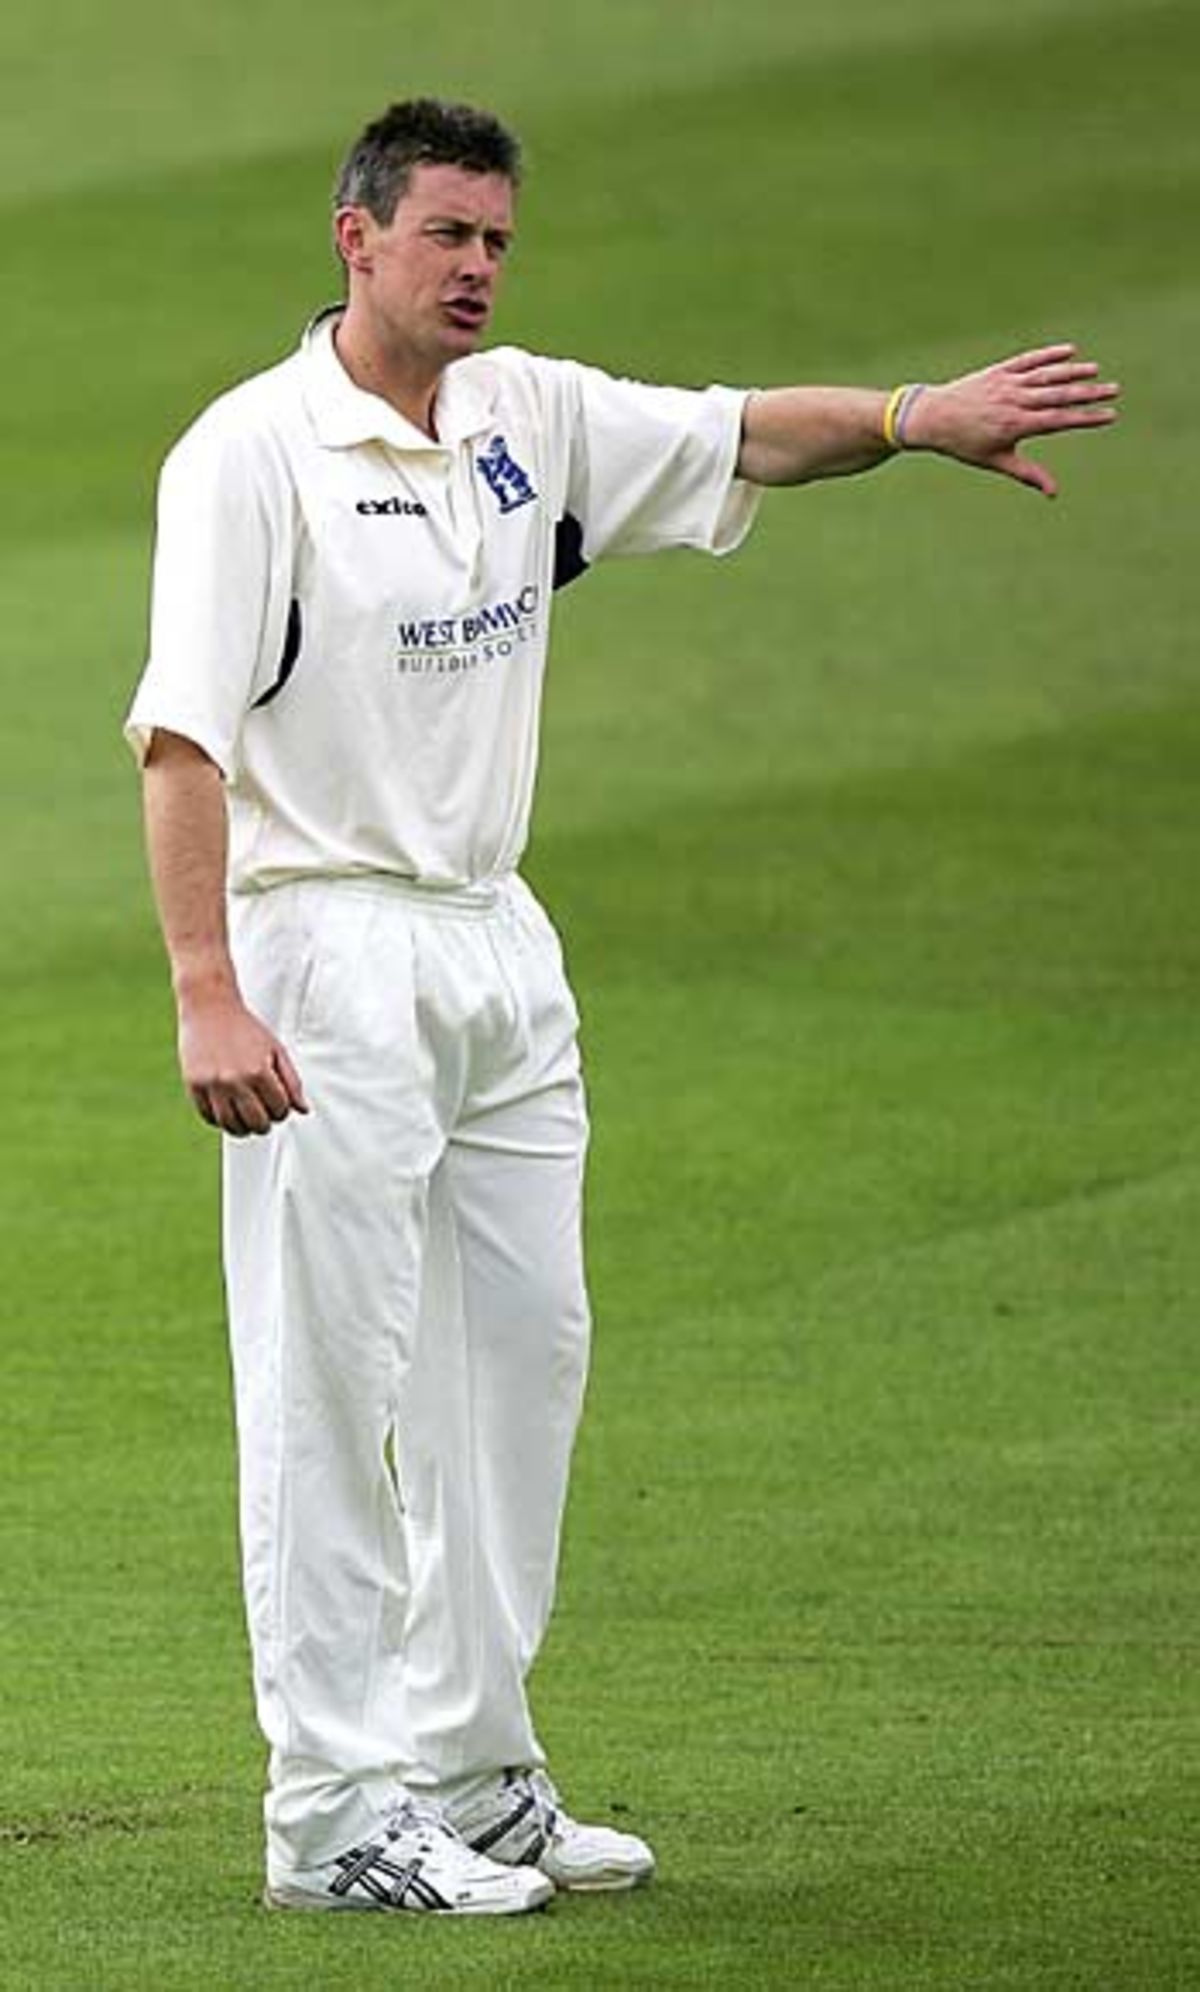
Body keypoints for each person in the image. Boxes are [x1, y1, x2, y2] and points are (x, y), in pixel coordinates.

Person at [126, 97, 1118, 1918]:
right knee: (331, 1393)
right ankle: (333, 1818)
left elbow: (747, 431)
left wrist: (918, 420)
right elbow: (182, 738)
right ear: (356, 238)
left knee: (522, 1366)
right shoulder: (250, 456)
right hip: (327, 947)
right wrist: (208, 990)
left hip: (501, 941)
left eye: (498, 239)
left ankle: (475, 1768)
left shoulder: (532, 416)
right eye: (447, 237)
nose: (480, 268)